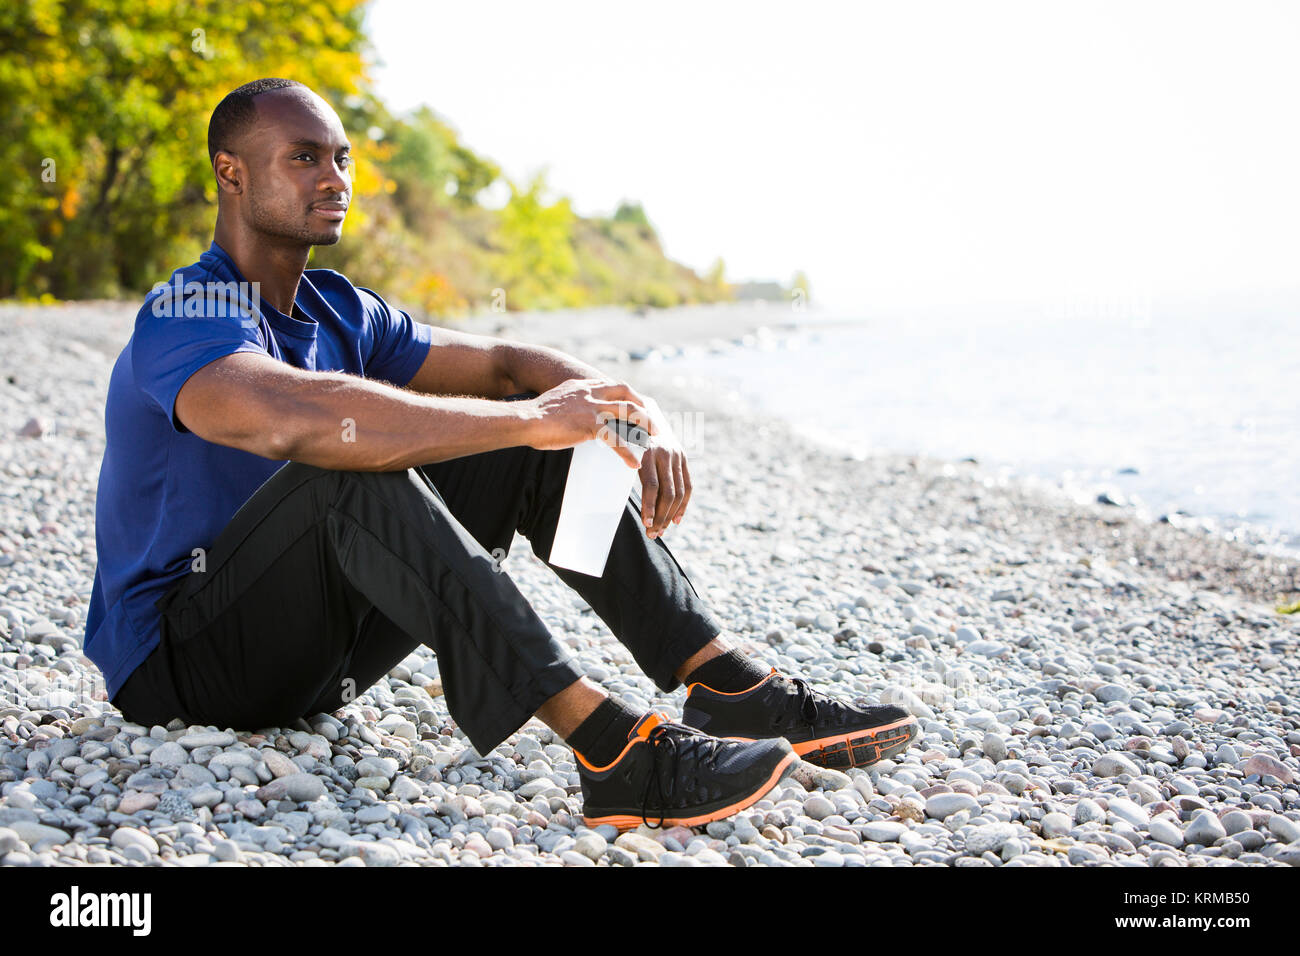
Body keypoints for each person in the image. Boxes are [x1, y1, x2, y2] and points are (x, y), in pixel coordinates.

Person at [83, 78, 918, 833]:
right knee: (359, 470)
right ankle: (613, 751)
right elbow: (282, 421)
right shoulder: (188, 310)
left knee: (531, 429)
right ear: (231, 173)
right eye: (303, 158)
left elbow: (510, 365)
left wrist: (635, 422)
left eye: (340, 158)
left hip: (309, 658)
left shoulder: (342, 308)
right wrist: (527, 422)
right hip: (182, 664)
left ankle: (727, 684)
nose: (334, 178)